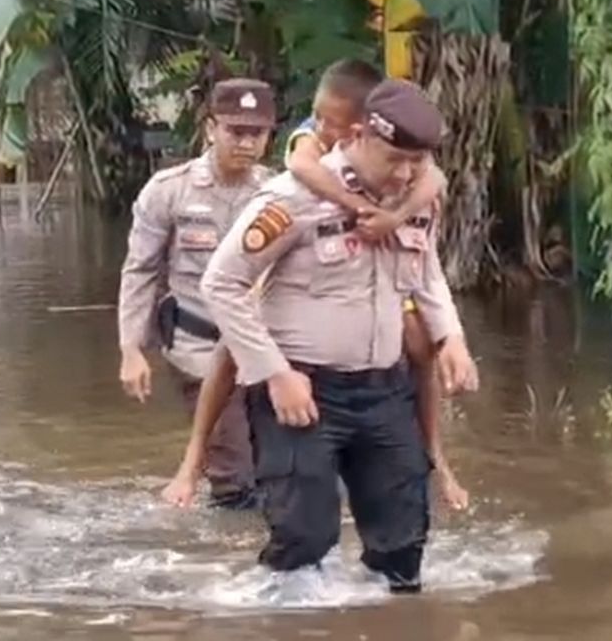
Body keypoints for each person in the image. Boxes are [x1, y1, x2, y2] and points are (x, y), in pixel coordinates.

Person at [189, 80, 478, 593]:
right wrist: (274, 374)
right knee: (303, 536)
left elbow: (426, 270)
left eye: (419, 160)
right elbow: (222, 282)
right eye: (396, 157)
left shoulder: (415, 198)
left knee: (404, 540)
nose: (408, 172)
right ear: (360, 134)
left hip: (385, 388)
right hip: (302, 390)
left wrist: (451, 337)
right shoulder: (294, 197)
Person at [286, 60, 467, 508]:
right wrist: (354, 206)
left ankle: (435, 458)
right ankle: (195, 458)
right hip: (313, 274)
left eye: (337, 122)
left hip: (386, 272)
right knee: (238, 344)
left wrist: (393, 217)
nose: (326, 128)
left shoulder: (398, 151)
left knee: (420, 344)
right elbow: (300, 165)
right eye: (322, 118)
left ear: (367, 127)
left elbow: (436, 180)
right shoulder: (312, 135)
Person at [117, 78, 276, 509]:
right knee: (233, 474)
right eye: (235, 131)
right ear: (210, 129)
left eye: (256, 133)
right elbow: (140, 270)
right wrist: (132, 348)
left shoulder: (276, 192)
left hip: (261, 347)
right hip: (198, 345)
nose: (246, 142)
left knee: (282, 468)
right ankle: (224, 557)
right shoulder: (170, 190)